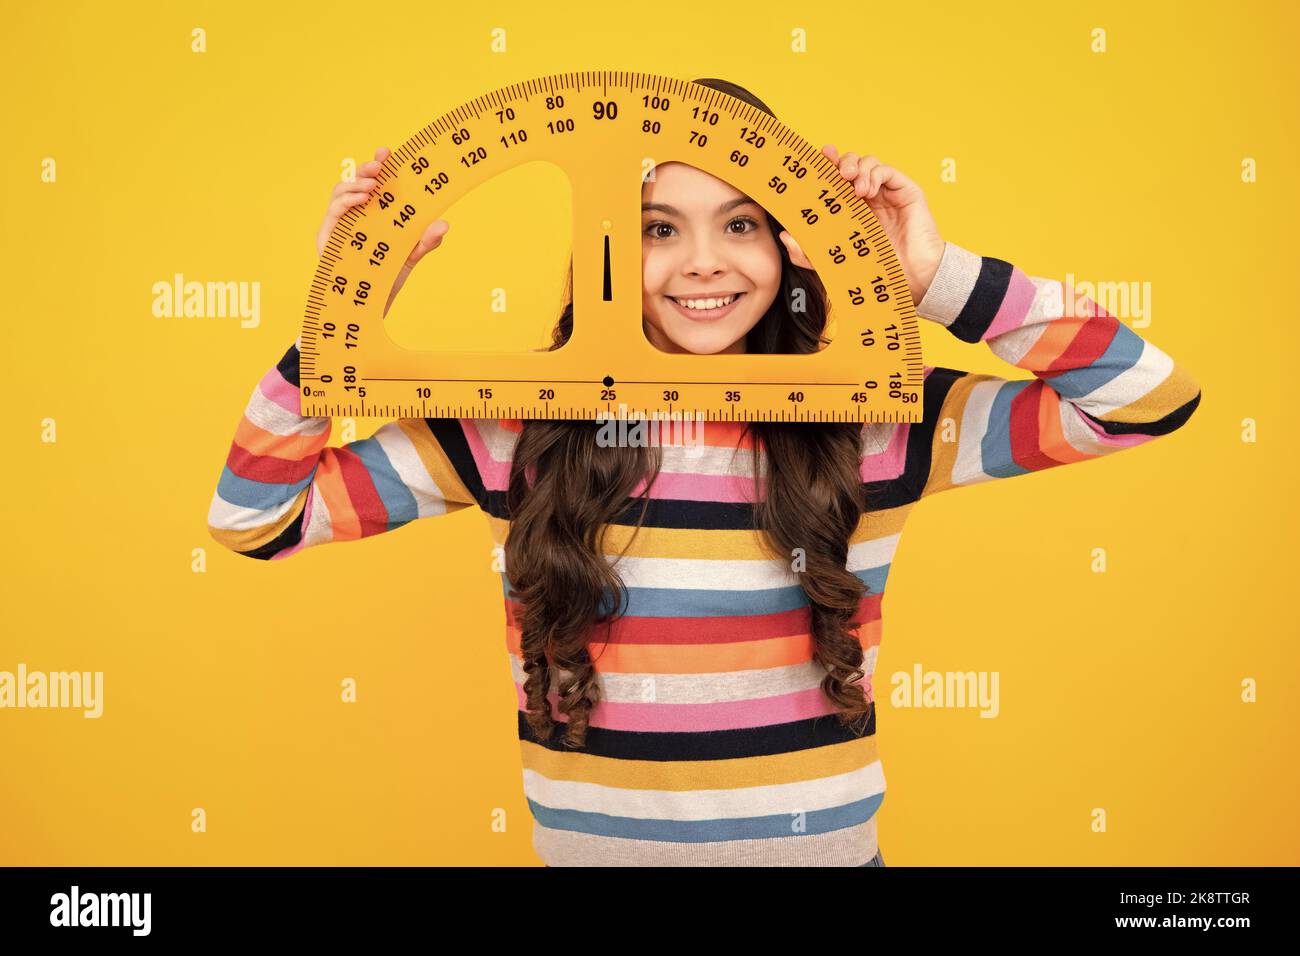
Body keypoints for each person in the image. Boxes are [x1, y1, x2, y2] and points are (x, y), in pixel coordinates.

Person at [207, 78, 1201, 867]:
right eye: (656, 226)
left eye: (740, 222)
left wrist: (933, 276)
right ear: (603, 242)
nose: (700, 263)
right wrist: (331, 324)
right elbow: (256, 518)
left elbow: (1146, 397)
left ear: (793, 240)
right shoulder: (512, 429)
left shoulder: (878, 418)